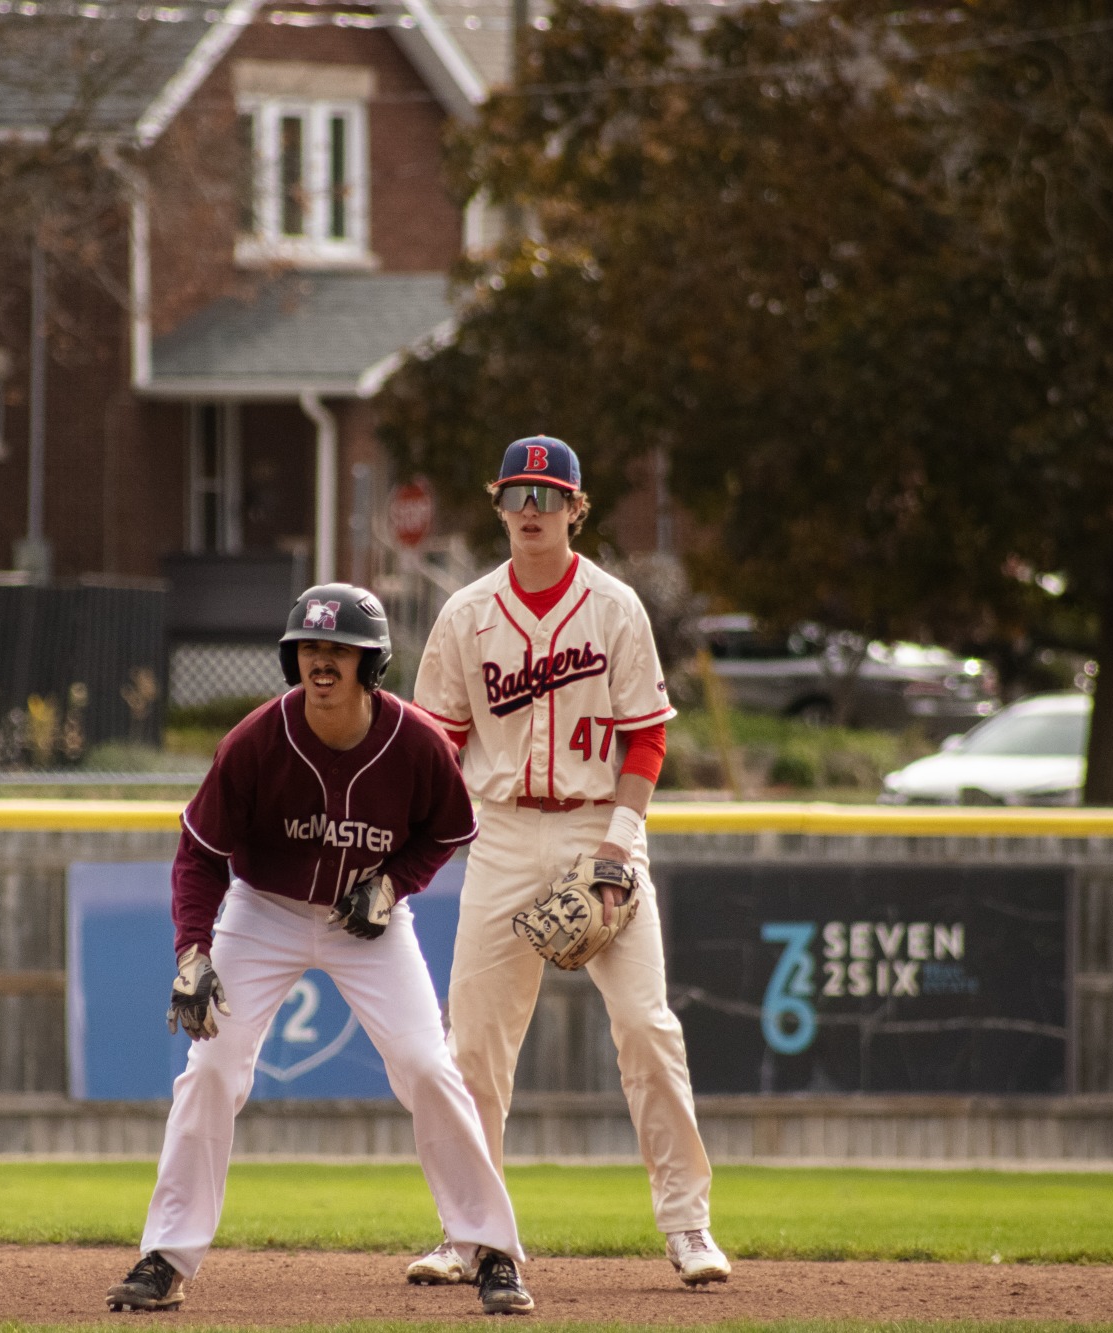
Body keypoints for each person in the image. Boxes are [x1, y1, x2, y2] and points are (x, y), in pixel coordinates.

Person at [106, 583, 535, 1317]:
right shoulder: (255, 740)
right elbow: (200, 854)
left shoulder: (417, 741)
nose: (322, 660)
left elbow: (448, 831)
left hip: (366, 920)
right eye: (310, 646)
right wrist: (191, 952)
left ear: (372, 664)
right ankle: (167, 1255)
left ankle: (491, 1250)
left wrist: (396, 883)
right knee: (210, 1068)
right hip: (263, 911)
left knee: (429, 1066)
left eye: (339, 648)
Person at [408, 437, 731, 1288]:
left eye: (548, 495)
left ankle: (688, 1224)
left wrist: (620, 845)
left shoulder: (615, 607)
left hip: (599, 825)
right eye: (518, 493)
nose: (532, 509)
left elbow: (647, 735)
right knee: (472, 1041)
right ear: (499, 504)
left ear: (575, 510)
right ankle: (469, 1230)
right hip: (504, 829)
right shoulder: (467, 614)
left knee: (647, 1026)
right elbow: (437, 740)